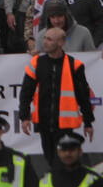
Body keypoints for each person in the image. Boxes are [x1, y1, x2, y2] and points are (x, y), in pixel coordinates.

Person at [19, 27, 95, 160]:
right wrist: (24, 116)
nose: (44, 42)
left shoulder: (74, 65)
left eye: (49, 39)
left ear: (60, 42)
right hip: (44, 123)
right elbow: (26, 92)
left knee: (62, 161)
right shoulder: (36, 63)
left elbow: (83, 96)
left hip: (65, 125)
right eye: (45, 38)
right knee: (50, 159)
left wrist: (88, 122)